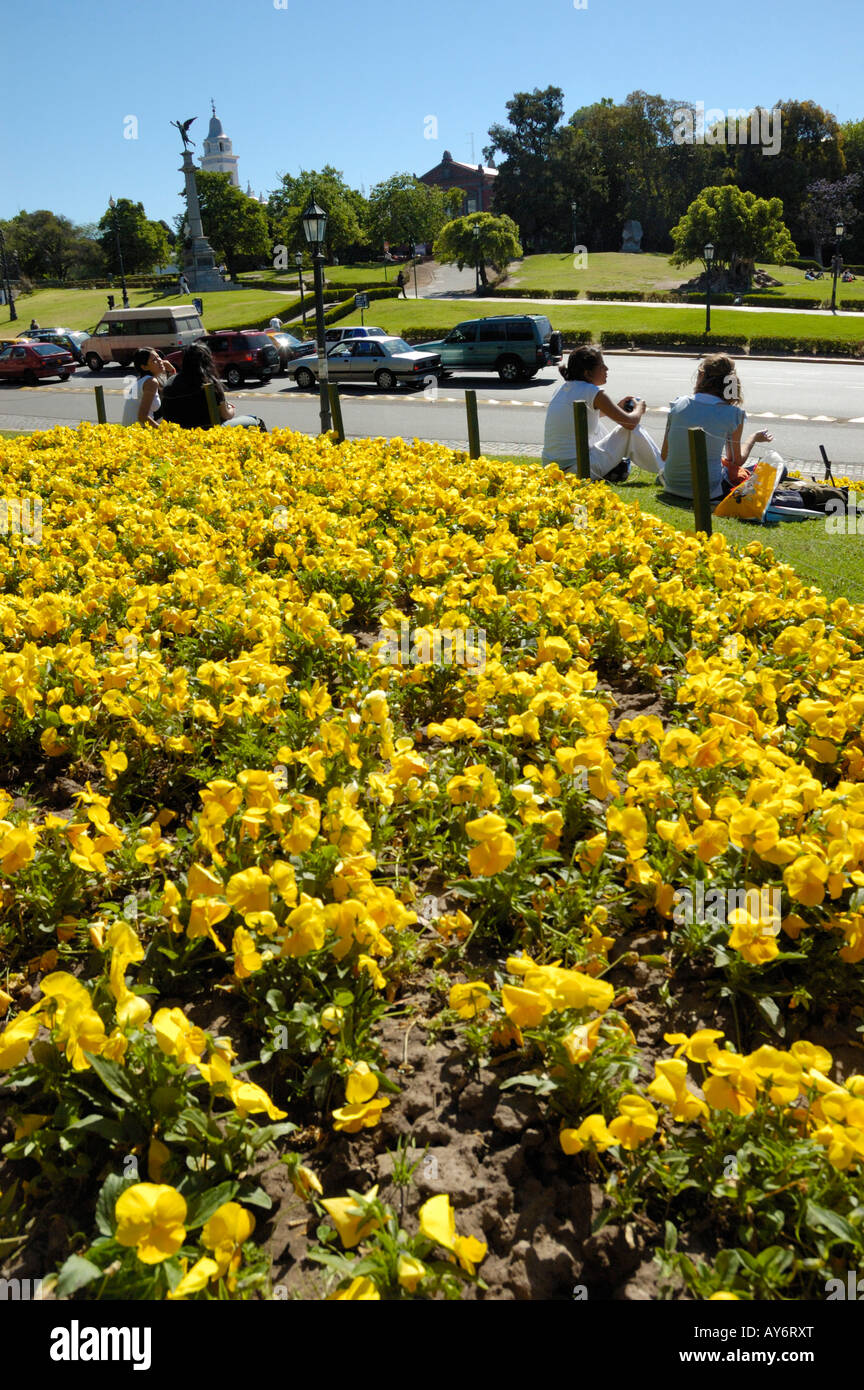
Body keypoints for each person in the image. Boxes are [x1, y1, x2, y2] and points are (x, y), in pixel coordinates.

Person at [660, 353, 773, 503]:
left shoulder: (678, 404)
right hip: (709, 490)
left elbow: (664, 455)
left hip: (671, 484)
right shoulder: (733, 413)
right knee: (770, 469)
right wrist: (753, 438)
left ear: (701, 375)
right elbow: (735, 460)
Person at [541, 344, 663, 481]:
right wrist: (639, 408)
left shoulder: (562, 389)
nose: (607, 369)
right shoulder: (592, 392)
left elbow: (583, 417)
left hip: (552, 472)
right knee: (628, 432)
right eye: (602, 366)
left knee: (597, 425)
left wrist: (617, 407)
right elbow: (630, 424)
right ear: (587, 373)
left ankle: (620, 468)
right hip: (576, 470)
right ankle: (666, 471)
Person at [156, 341, 264, 430]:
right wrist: (231, 409)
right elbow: (226, 415)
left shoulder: (170, 382)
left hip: (181, 434)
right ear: (207, 360)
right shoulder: (209, 383)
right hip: (209, 432)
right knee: (254, 420)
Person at [121, 347, 176, 427]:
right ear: (145, 367)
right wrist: (161, 431)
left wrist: (172, 371)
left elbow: (171, 392)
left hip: (132, 430)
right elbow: (142, 417)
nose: (160, 361)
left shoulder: (142, 379)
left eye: (158, 357)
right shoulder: (150, 382)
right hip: (138, 432)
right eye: (154, 360)